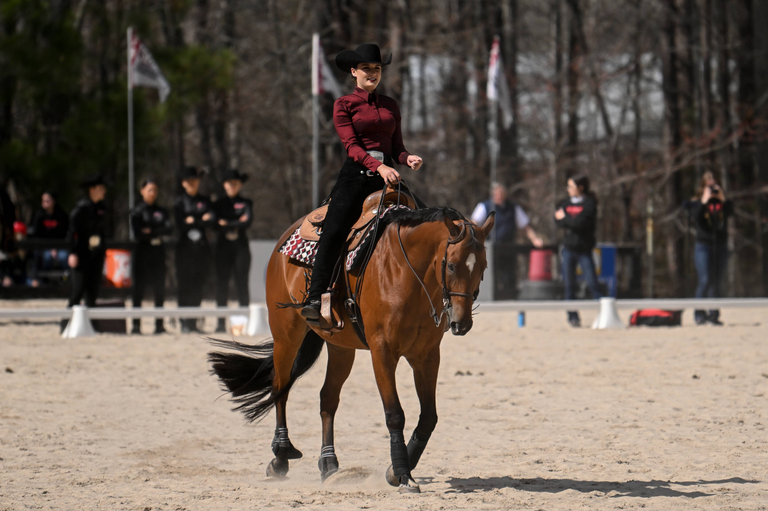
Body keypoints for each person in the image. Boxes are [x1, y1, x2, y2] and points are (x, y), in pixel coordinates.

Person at [300, 43, 424, 321]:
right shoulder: (343, 104)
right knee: (334, 230)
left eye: (377, 69)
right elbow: (352, 147)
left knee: (423, 222)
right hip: (356, 176)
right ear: (354, 72)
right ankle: (314, 294)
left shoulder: (391, 104)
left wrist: (408, 159)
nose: (372, 73)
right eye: (366, 69)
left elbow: (397, 147)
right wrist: (379, 167)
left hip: (388, 176)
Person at [471, 182, 544, 299]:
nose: (499, 196)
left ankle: (510, 297)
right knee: (489, 274)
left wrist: (535, 239)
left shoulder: (513, 207)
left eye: (501, 193)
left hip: (508, 248)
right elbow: (474, 224)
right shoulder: (484, 206)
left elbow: (525, 226)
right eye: (497, 193)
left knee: (508, 274)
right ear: (492, 194)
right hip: (489, 248)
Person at [555, 174, 601, 327]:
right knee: (569, 285)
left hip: (584, 250)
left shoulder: (590, 203)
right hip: (568, 249)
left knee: (592, 283)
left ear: (580, 187)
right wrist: (569, 221)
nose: (568, 189)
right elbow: (557, 220)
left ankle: (602, 314)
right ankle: (572, 317)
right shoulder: (565, 203)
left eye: (571, 186)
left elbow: (580, 223)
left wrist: (566, 219)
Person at [64, 174, 108, 331]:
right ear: (92, 190)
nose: (104, 192)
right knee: (78, 289)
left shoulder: (102, 208)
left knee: (93, 291)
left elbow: (103, 232)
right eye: (101, 189)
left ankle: (92, 325)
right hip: (81, 254)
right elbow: (72, 232)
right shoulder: (81, 208)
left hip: (96, 254)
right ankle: (65, 324)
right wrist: (72, 253)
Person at [174, 166, 215, 333]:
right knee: (184, 285)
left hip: (201, 250)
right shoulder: (179, 201)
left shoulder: (205, 200)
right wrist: (200, 219)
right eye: (189, 181)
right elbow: (180, 224)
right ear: (184, 183)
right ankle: (184, 321)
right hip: (184, 250)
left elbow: (211, 220)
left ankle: (194, 321)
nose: (193, 184)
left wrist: (193, 219)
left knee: (198, 284)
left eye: (195, 181)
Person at [130, 178, 172, 334]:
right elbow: (137, 233)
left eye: (155, 190)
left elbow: (169, 229)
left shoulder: (162, 211)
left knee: (159, 290)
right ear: (142, 191)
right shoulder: (137, 211)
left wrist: (151, 231)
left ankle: (159, 325)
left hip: (158, 254)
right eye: (149, 190)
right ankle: (135, 325)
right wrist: (157, 230)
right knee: (138, 291)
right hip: (142, 253)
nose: (153, 193)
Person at [213, 169, 253, 333]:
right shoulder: (218, 204)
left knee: (242, 283)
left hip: (241, 248)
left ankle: (245, 322)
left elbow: (248, 222)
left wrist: (227, 223)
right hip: (223, 248)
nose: (232, 186)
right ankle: (220, 322)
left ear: (240, 185)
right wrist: (237, 222)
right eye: (229, 183)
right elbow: (215, 225)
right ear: (224, 185)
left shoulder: (246, 202)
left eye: (235, 183)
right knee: (222, 284)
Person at [692, 171, 732, 325]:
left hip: (720, 244)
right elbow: (696, 218)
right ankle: (699, 314)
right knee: (705, 279)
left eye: (714, 186)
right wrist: (704, 201)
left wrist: (722, 198)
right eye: (709, 187)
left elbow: (730, 212)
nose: (712, 189)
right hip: (703, 246)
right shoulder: (698, 202)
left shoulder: (722, 202)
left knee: (716, 280)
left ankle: (713, 315)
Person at [28, 191, 70, 286]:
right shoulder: (39, 215)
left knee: (64, 257)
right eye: (43, 201)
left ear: (54, 201)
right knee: (45, 257)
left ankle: (66, 280)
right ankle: (41, 281)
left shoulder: (62, 215)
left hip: (60, 246)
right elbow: (36, 234)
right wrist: (50, 248)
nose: (45, 203)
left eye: (47, 200)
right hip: (43, 247)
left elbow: (66, 233)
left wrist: (55, 248)